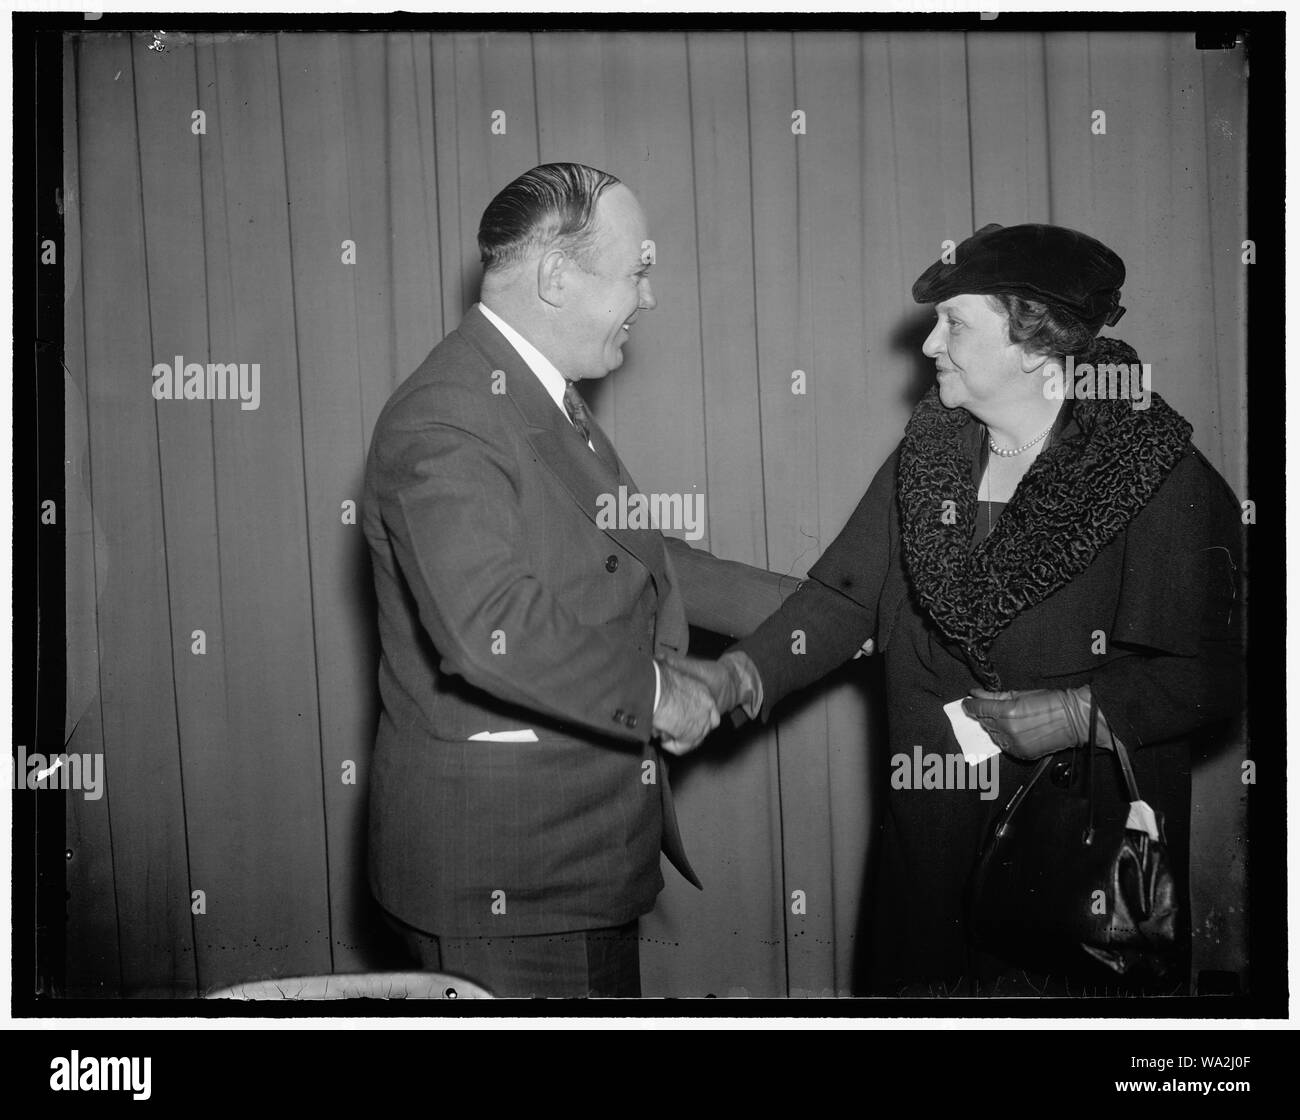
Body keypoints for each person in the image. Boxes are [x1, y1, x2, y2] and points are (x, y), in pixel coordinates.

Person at [678, 223, 1244, 995]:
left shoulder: (1155, 470)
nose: (929, 345)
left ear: (1035, 343)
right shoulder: (930, 453)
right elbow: (841, 602)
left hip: (1073, 865)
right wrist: (738, 678)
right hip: (932, 842)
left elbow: (1219, 670)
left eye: (956, 324)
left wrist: (1083, 711)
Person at [362, 163, 795, 997]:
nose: (651, 296)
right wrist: (664, 692)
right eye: (638, 269)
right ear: (558, 277)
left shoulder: (532, 392)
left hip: (573, 857)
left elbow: (640, 555)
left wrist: (819, 610)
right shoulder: (447, 412)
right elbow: (493, 628)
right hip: (514, 888)